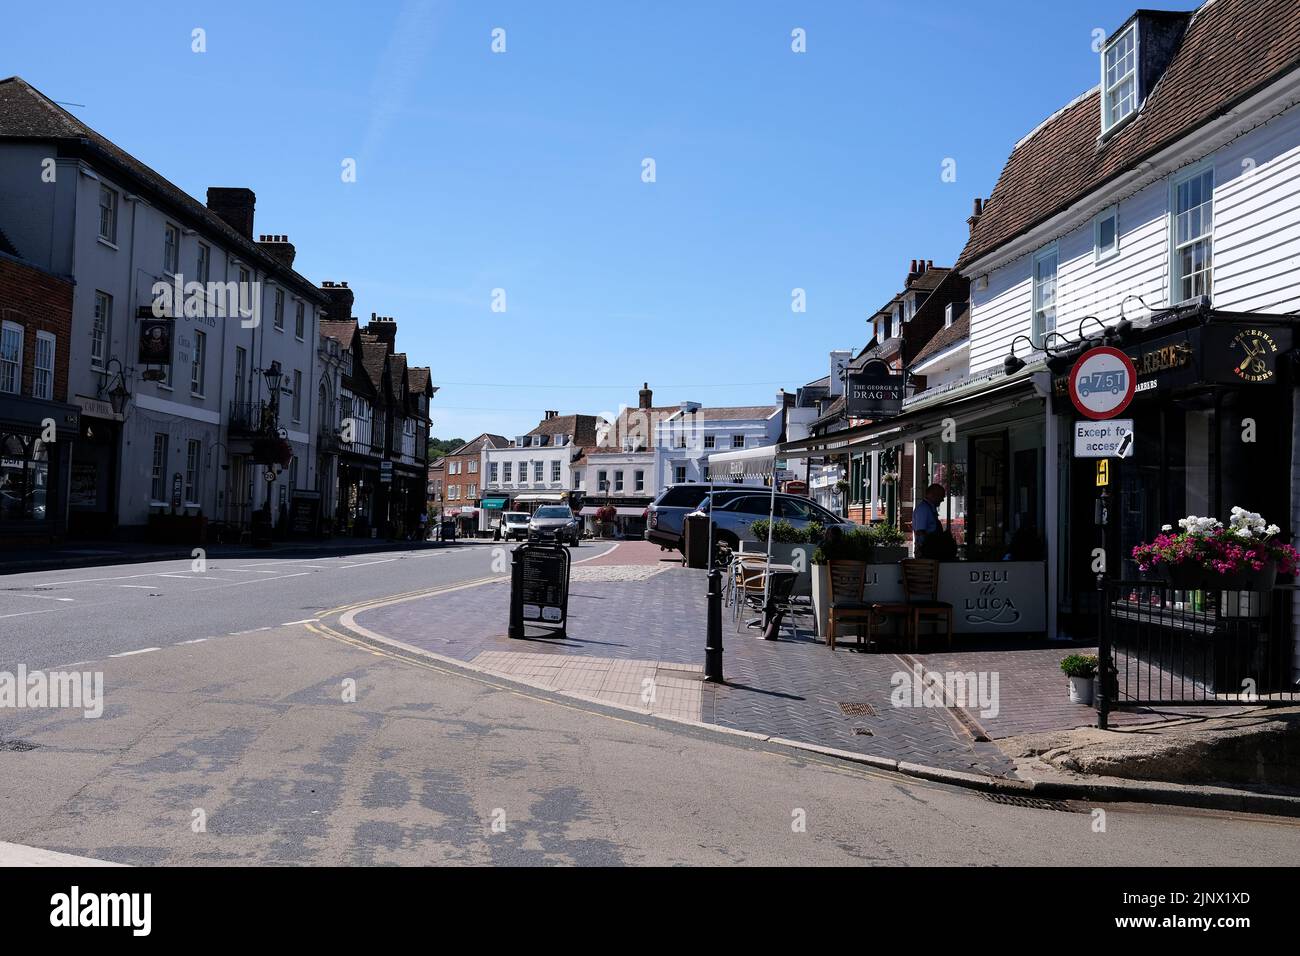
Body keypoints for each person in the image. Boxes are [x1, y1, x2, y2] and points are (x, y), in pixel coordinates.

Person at [912, 483, 946, 553]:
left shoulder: (930, 509)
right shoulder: (923, 509)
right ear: (933, 494)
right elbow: (920, 532)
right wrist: (924, 550)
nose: (942, 500)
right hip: (927, 552)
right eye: (941, 496)